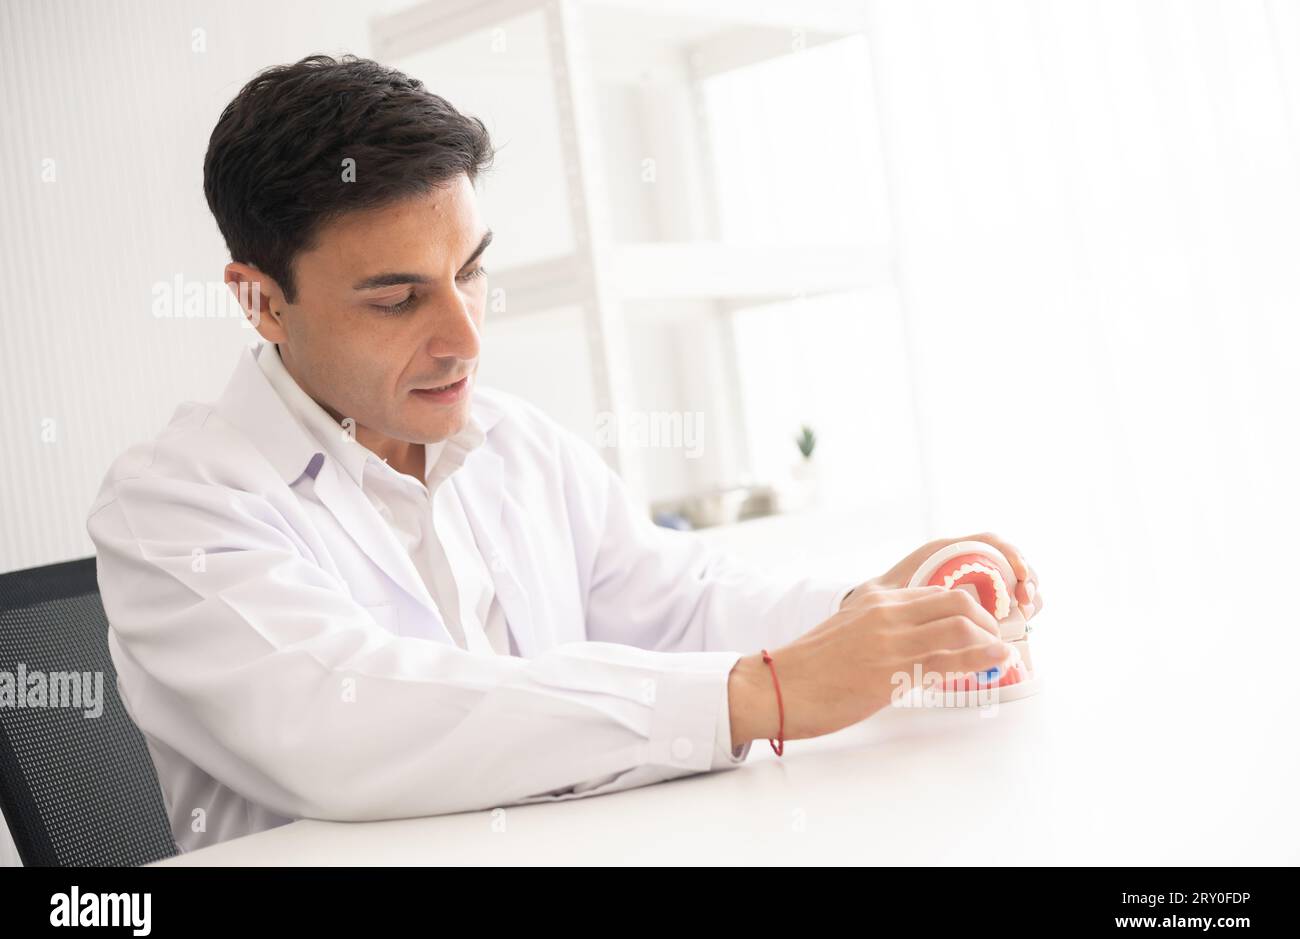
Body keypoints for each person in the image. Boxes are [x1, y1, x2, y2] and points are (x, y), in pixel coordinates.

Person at [88, 55, 1043, 854]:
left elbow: (681, 604)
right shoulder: (175, 506)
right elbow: (350, 724)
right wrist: (761, 693)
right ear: (260, 299)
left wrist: (877, 613)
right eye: (397, 298)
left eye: (470, 272)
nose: (464, 336)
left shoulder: (509, 442)